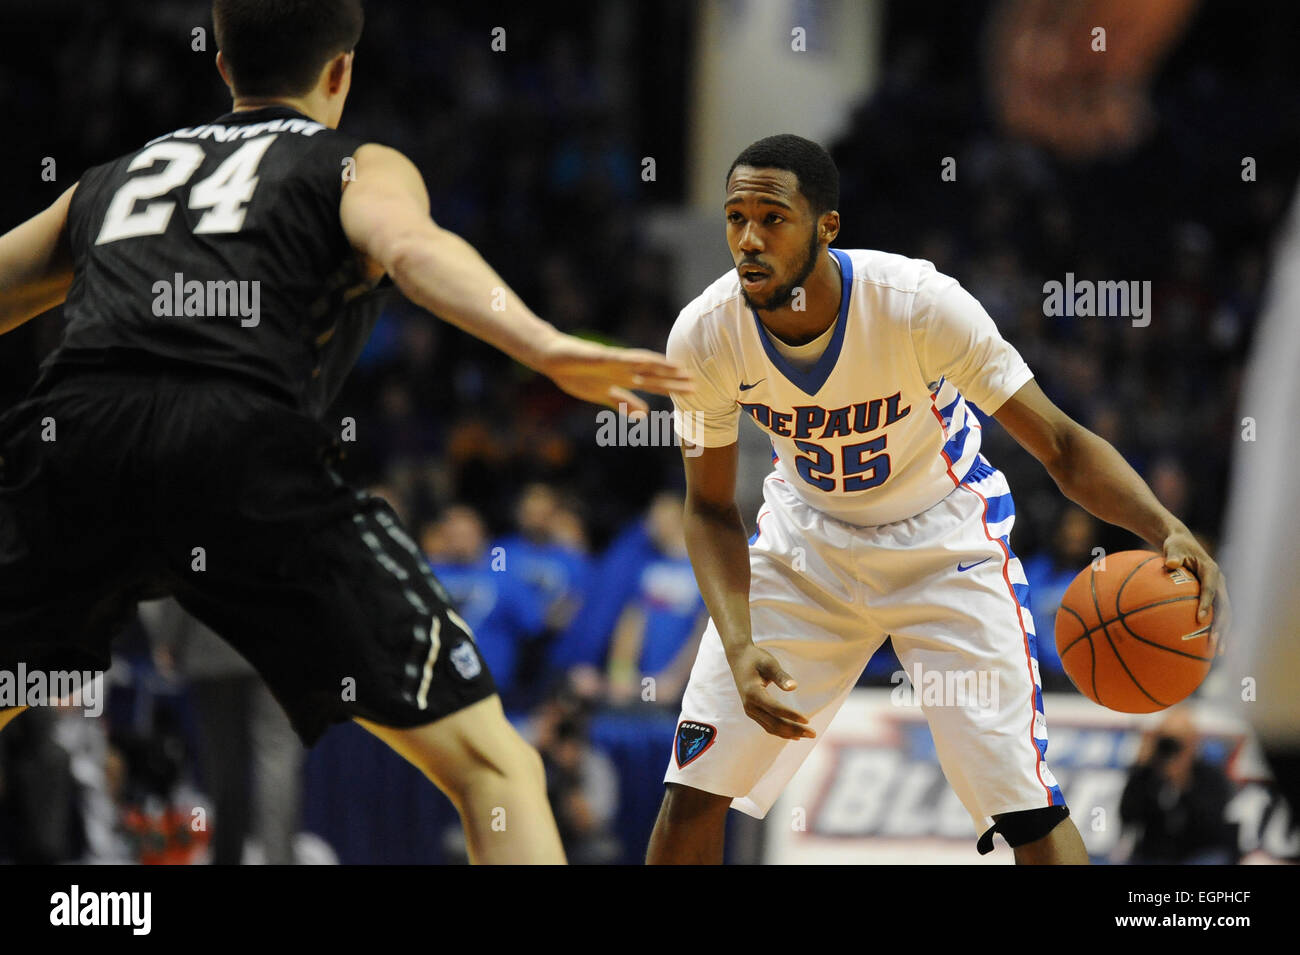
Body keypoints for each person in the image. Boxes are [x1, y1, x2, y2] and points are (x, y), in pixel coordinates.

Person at [0, 0, 691, 865]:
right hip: (238, 450)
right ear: (341, 70)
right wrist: (541, 343)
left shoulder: (110, 180)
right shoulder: (355, 163)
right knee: (495, 768)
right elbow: (411, 248)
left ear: (222, 65)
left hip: (72, 442)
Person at [646, 134, 1228, 865]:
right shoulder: (704, 336)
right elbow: (707, 508)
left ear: (827, 227)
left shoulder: (917, 305)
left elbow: (1059, 442)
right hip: (805, 544)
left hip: (943, 543)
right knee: (692, 792)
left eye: (773, 218)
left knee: (1027, 812)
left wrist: (1164, 525)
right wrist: (738, 643)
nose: (749, 239)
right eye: (736, 218)